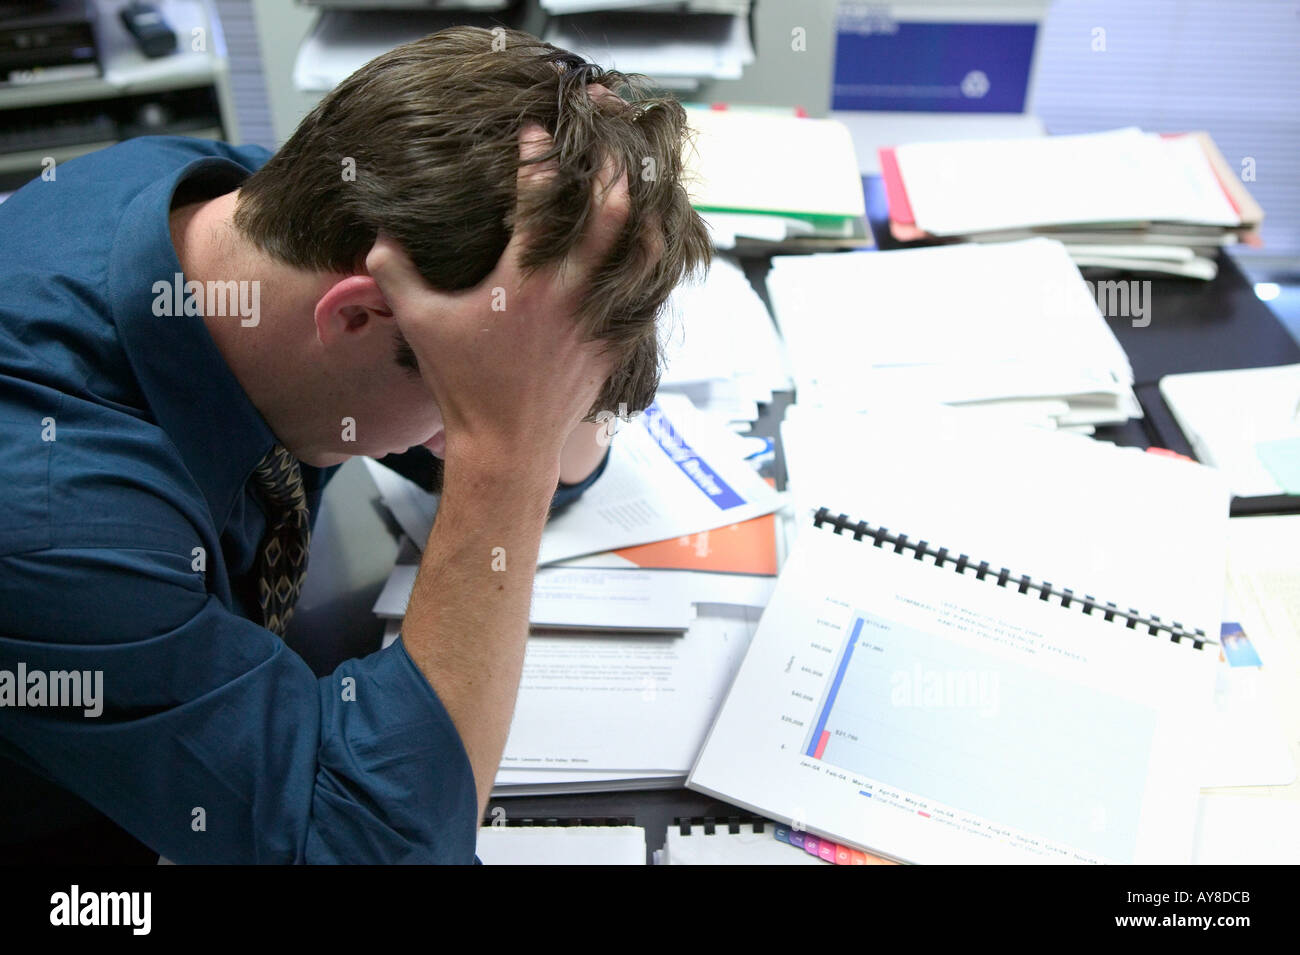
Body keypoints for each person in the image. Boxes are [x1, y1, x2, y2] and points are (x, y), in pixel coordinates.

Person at [0, 26, 710, 863]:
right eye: (459, 401)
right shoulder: (56, 514)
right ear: (357, 317)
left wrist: (551, 340)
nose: (448, 445)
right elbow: (370, 848)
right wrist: (506, 441)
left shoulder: (250, 216)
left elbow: (566, 466)